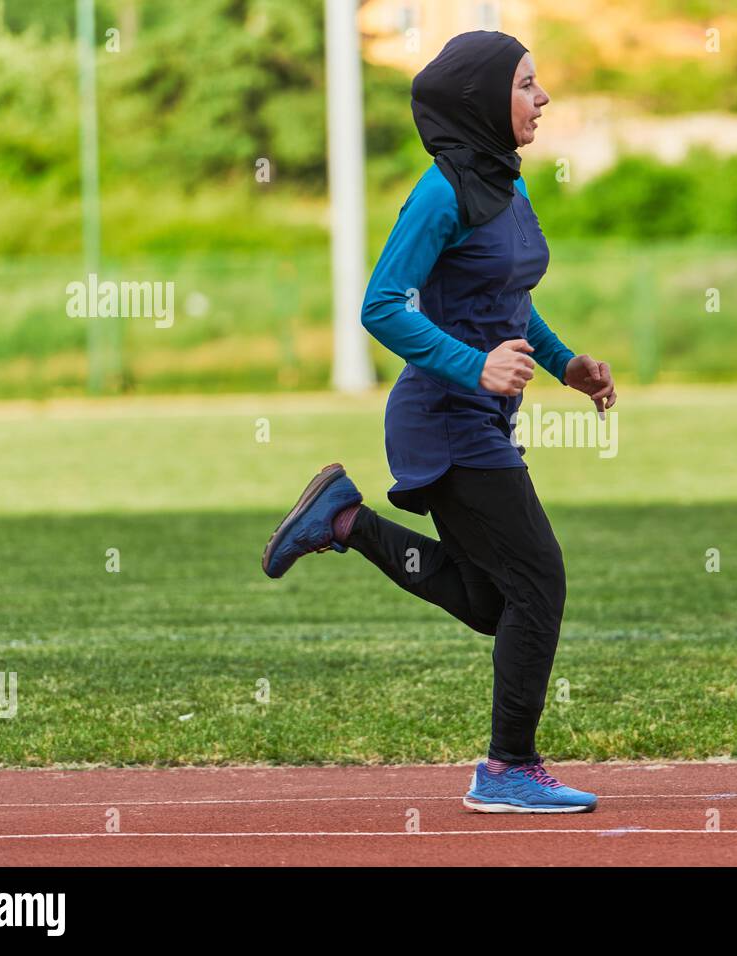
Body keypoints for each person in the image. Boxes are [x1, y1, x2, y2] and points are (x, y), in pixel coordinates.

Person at [262, 30, 616, 813]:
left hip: (478, 415)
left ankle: (346, 519)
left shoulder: (506, 185)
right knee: (540, 580)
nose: (543, 98)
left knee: (496, 603)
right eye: (527, 85)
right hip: (443, 417)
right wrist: (474, 365)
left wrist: (566, 365)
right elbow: (380, 305)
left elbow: (507, 301)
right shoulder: (440, 194)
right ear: (484, 101)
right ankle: (507, 769)